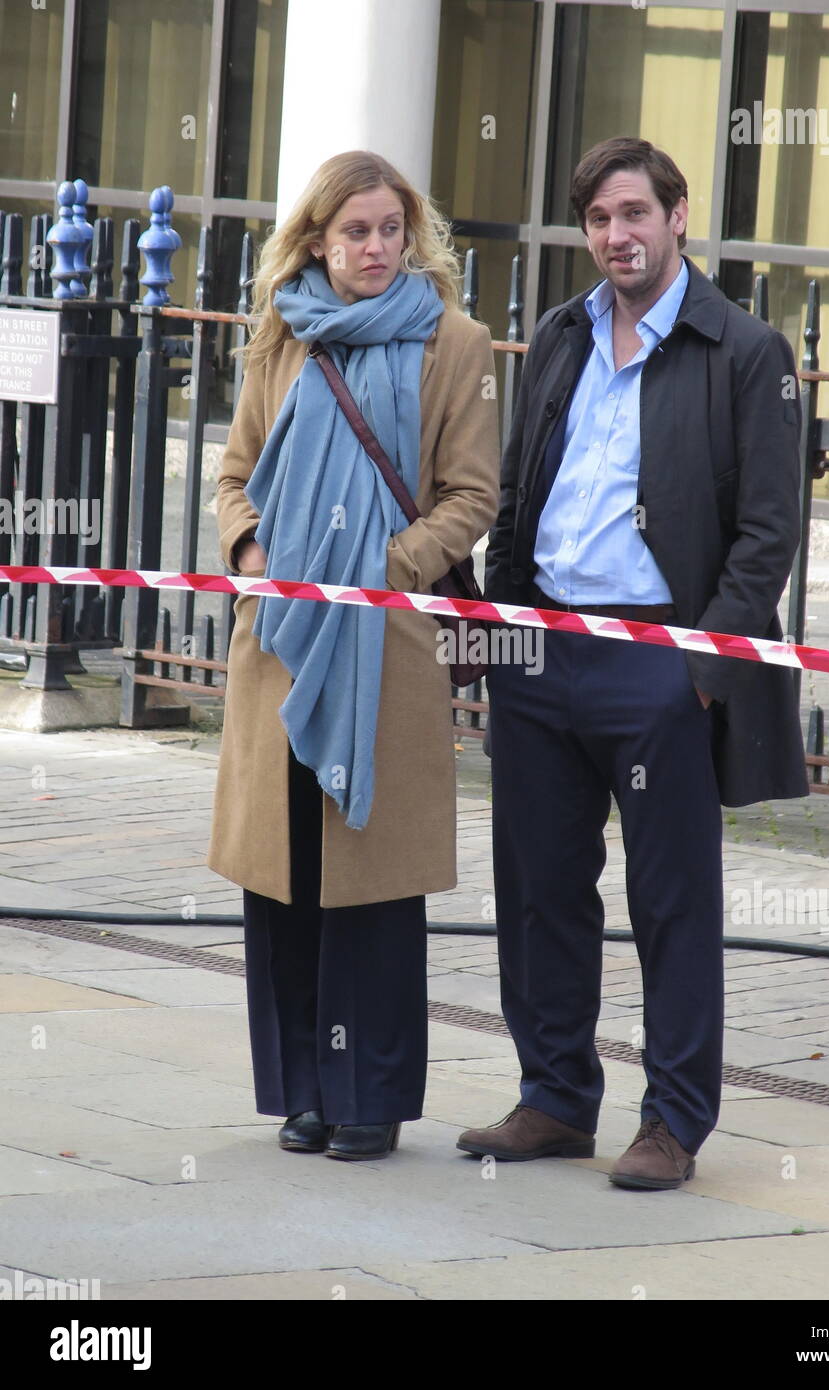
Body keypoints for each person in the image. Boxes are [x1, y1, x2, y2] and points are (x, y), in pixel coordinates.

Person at [457, 137, 808, 1189]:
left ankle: (673, 1121)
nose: (618, 235)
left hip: (660, 662)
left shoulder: (745, 351)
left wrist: (698, 671)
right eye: (600, 218)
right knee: (541, 887)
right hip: (545, 652)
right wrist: (506, 641)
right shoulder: (561, 335)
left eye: (635, 214)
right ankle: (555, 1097)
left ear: (677, 217)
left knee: (671, 901)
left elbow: (767, 534)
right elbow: (521, 497)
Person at [208, 151, 500, 1162]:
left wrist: (386, 568)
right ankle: (304, 1089)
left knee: (370, 875)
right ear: (319, 241)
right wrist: (250, 549)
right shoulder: (283, 336)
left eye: (390, 230)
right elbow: (234, 474)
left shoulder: (453, 344)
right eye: (356, 232)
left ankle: (368, 1097)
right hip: (280, 641)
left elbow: (472, 495)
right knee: (285, 870)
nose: (377, 248)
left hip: (386, 641)